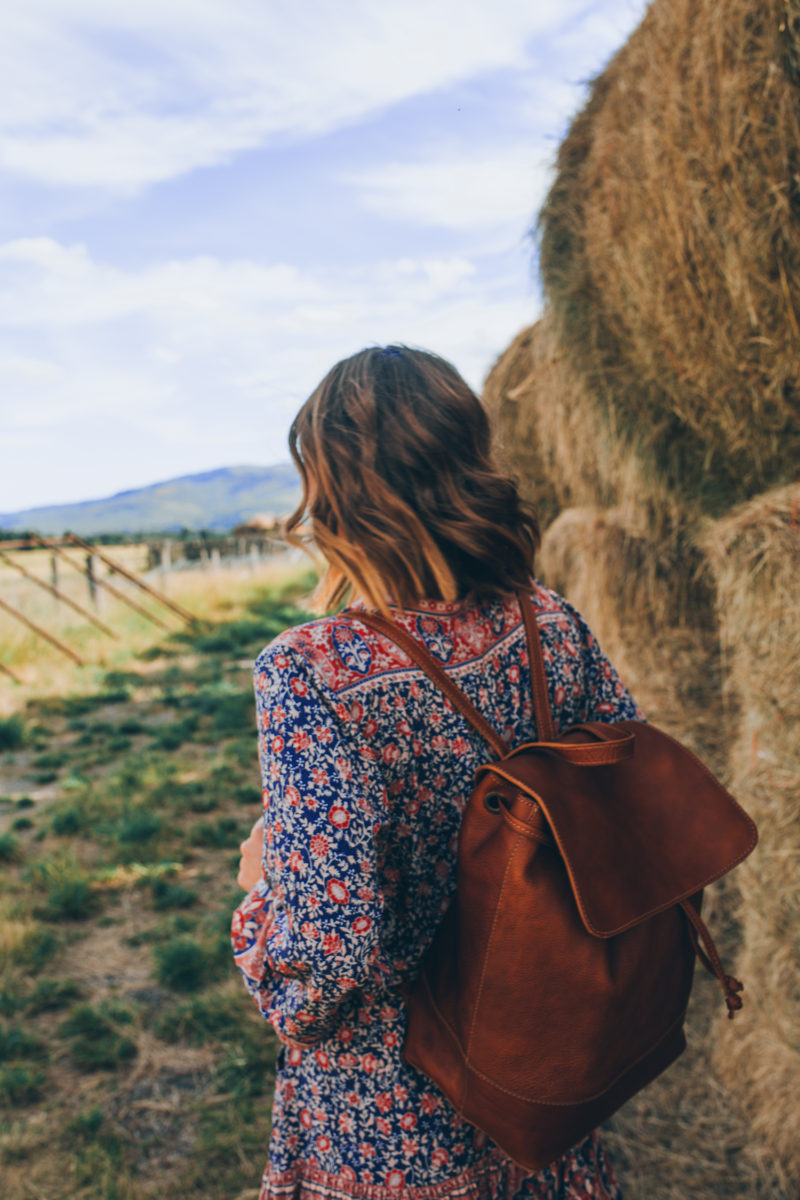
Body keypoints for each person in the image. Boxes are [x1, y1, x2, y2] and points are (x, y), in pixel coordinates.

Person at [231, 345, 639, 1200]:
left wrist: (260, 894)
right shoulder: (549, 623)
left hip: (396, 1108)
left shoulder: (312, 671)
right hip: (539, 1059)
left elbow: (331, 951)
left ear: (335, 494)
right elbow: (628, 797)